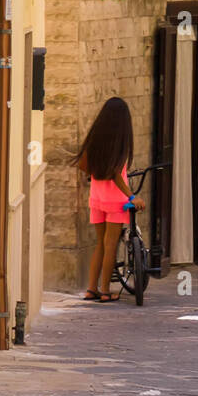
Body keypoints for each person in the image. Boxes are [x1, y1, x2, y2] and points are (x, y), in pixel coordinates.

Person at [77, 97, 142, 303]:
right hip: (115, 201)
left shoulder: (96, 138)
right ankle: (105, 290)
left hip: (97, 198)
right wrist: (132, 196)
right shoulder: (119, 142)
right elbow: (116, 174)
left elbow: (82, 165)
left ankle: (91, 289)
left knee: (99, 245)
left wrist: (96, 172)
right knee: (110, 245)